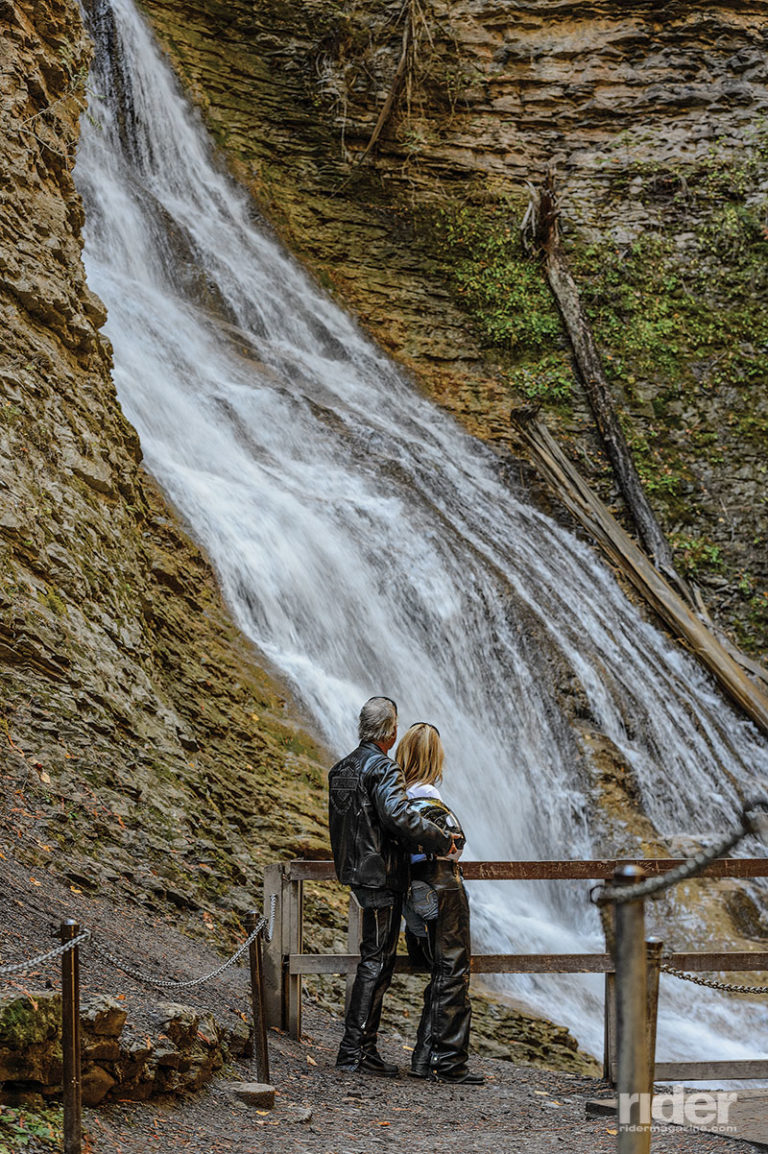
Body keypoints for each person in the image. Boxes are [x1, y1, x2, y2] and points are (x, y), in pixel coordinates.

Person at [328, 697, 455, 1077]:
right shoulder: (382, 767)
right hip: (382, 875)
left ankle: (361, 1049)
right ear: (391, 731)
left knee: (375, 960)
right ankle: (355, 1052)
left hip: (355, 873)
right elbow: (398, 816)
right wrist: (440, 839)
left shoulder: (342, 768)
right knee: (376, 962)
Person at [398, 721, 484, 1085]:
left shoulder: (398, 798)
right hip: (443, 887)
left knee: (439, 970)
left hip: (413, 887)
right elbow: (456, 843)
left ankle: (424, 1057)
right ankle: (446, 1061)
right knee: (452, 970)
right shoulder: (431, 799)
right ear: (435, 759)